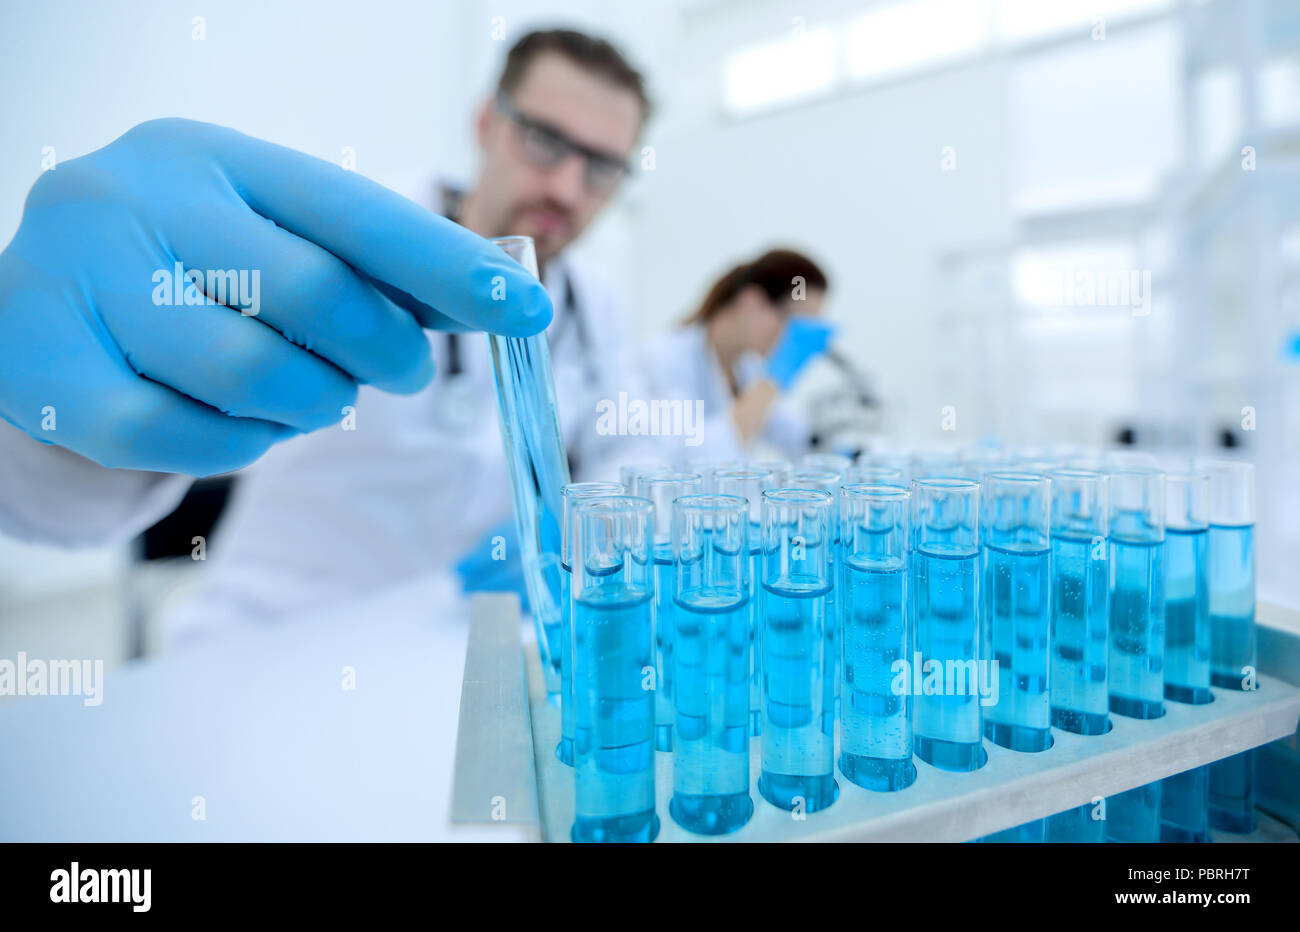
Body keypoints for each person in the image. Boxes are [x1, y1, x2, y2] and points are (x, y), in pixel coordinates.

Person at [0, 29, 655, 638]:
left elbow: (630, 451)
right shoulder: (339, 243)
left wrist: (580, 529)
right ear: (486, 124)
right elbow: (45, 508)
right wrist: (54, 402)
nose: (568, 188)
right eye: (545, 140)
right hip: (276, 632)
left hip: (462, 638)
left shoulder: (593, 305)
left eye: (601, 168)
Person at [642, 249, 834, 462]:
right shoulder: (664, 359)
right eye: (795, 324)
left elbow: (795, 436)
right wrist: (772, 382)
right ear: (751, 302)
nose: (793, 339)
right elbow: (692, 459)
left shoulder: (747, 366)